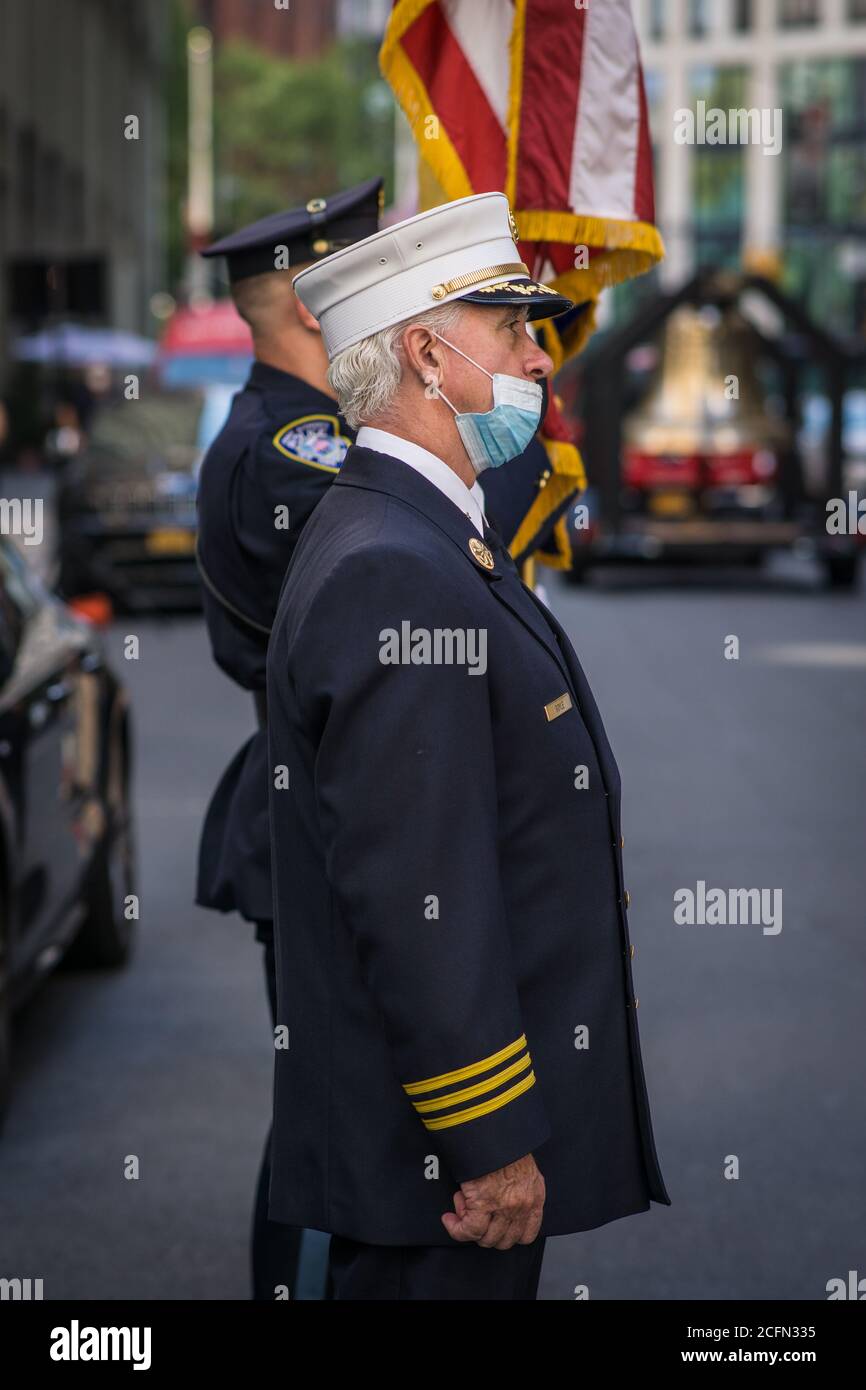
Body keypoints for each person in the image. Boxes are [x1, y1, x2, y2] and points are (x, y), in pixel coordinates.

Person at [265, 191, 672, 1301]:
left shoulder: (421, 536)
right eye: (512, 331)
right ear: (426, 355)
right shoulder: (391, 563)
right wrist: (488, 1137)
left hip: (431, 1151)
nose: (541, 359)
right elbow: (418, 890)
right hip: (442, 1169)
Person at [196, 183, 584, 1299]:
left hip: (347, 789)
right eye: (512, 331)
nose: (536, 357)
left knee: (352, 1137)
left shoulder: (323, 453)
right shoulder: (296, 454)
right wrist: (493, 432)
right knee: (356, 1154)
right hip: (340, 806)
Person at [195, 178, 385, 1300]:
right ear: (319, 310)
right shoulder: (290, 451)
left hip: (320, 806)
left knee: (343, 1114)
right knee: (336, 1126)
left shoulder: (306, 436)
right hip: (322, 817)